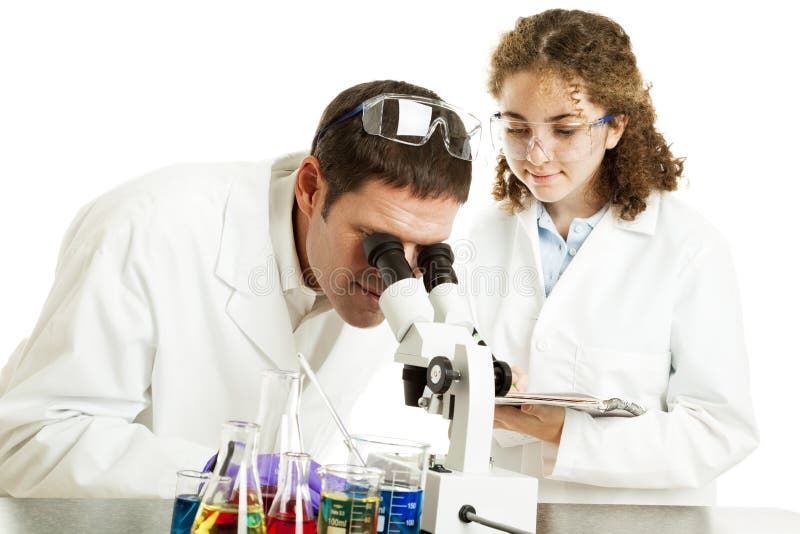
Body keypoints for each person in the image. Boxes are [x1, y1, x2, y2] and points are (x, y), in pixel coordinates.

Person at [0, 80, 479, 498]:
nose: (397, 273)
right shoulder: (149, 227)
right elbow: (28, 442)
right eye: (380, 245)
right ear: (312, 189)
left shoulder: (390, 277)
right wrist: (225, 476)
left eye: (428, 249)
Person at [466, 9, 758, 505]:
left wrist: (567, 434)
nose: (536, 155)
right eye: (517, 129)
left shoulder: (689, 247)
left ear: (616, 126)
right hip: (496, 511)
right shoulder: (489, 233)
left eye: (565, 130)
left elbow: (720, 431)